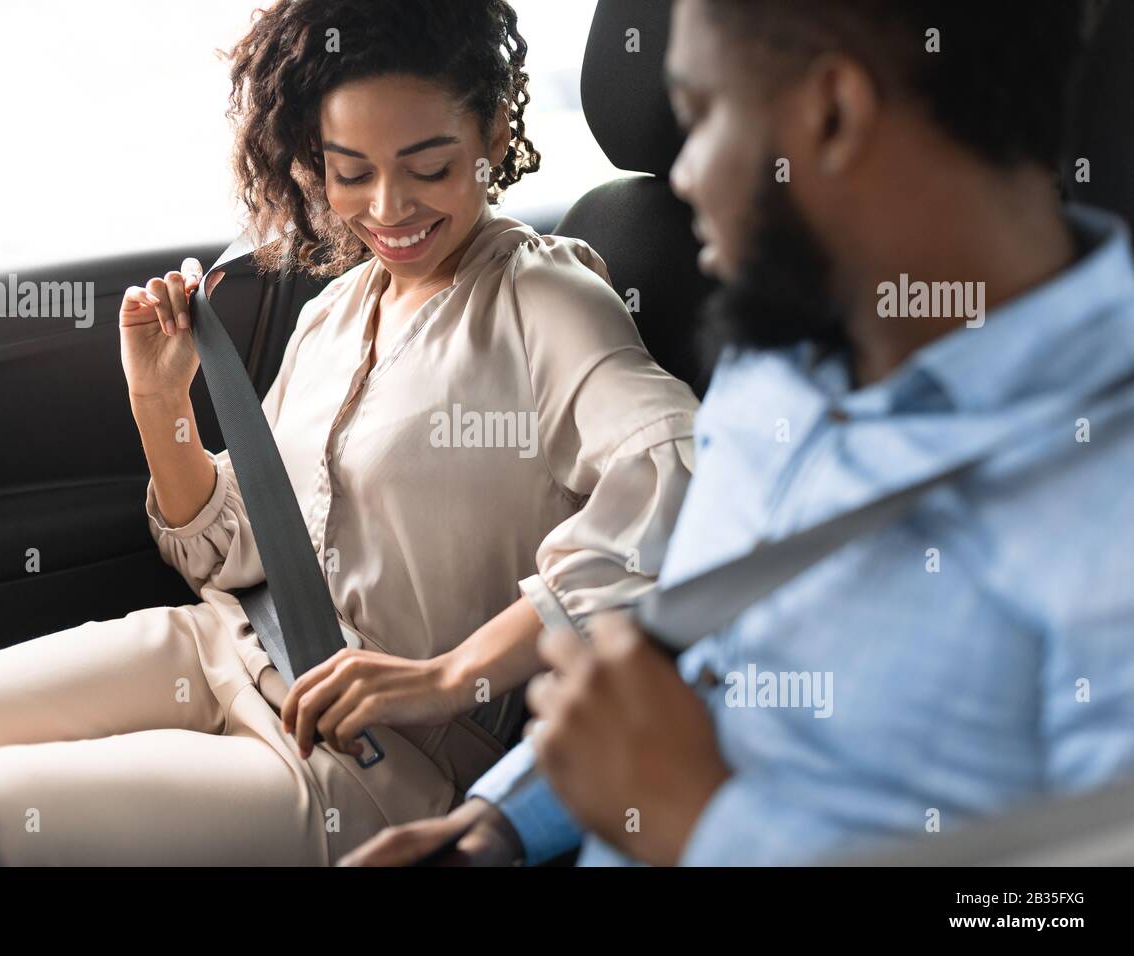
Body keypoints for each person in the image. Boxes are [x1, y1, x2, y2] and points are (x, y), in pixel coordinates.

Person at [341, 0, 1134, 867]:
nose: (681, 177)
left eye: (701, 117)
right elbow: (686, 665)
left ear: (831, 113)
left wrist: (705, 826)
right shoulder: (769, 373)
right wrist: (495, 829)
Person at [0, 0, 698, 865]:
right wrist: (160, 404)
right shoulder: (335, 311)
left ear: (492, 130)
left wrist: (446, 677)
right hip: (224, 647)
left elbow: (682, 481)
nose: (389, 206)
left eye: (429, 165)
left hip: (367, 764)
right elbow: (242, 553)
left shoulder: (545, 299)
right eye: (351, 173)